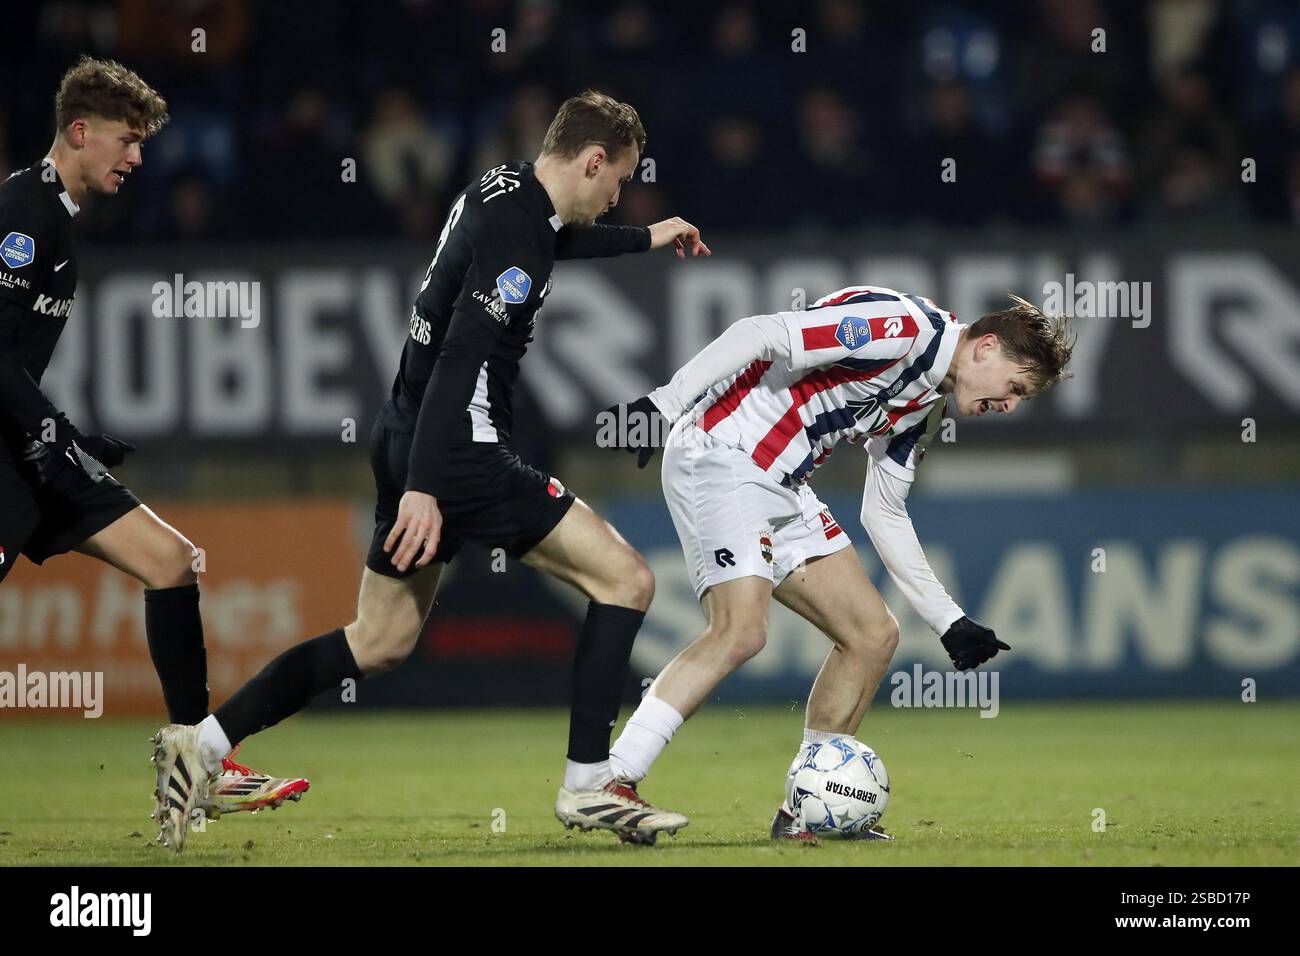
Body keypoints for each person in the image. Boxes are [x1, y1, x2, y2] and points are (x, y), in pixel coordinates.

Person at [152, 90, 711, 852]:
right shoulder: (521, 234)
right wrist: (425, 487)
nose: (620, 192)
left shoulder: (504, 187)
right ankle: (589, 783)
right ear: (591, 160)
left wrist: (644, 236)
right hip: (459, 451)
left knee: (376, 642)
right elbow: (461, 355)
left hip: (401, 427)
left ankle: (203, 745)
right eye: (618, 179)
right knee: (628, 580)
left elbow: (555, 245)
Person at [603, 285, 1073, 840]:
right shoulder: (902, 328)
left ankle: (806, 808)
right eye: (1014, 387)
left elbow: (884, 512)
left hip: (783, 480)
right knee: (740, 630)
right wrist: (663, 402)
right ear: (985, 348)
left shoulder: (923, 404)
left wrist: (948, 619)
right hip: (723, 451)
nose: (1010, 404)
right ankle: (612, 779)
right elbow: (762, 333)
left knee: (872, 635)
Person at [0, 57, 308, 834]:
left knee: (171, 561)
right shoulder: (21, 213)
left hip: (26, 450)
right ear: (79, 132)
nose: (137, 158)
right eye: (126, 140)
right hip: (12, 452)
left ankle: (196, 761)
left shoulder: (60, 218)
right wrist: (50, 429)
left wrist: (59, 431)